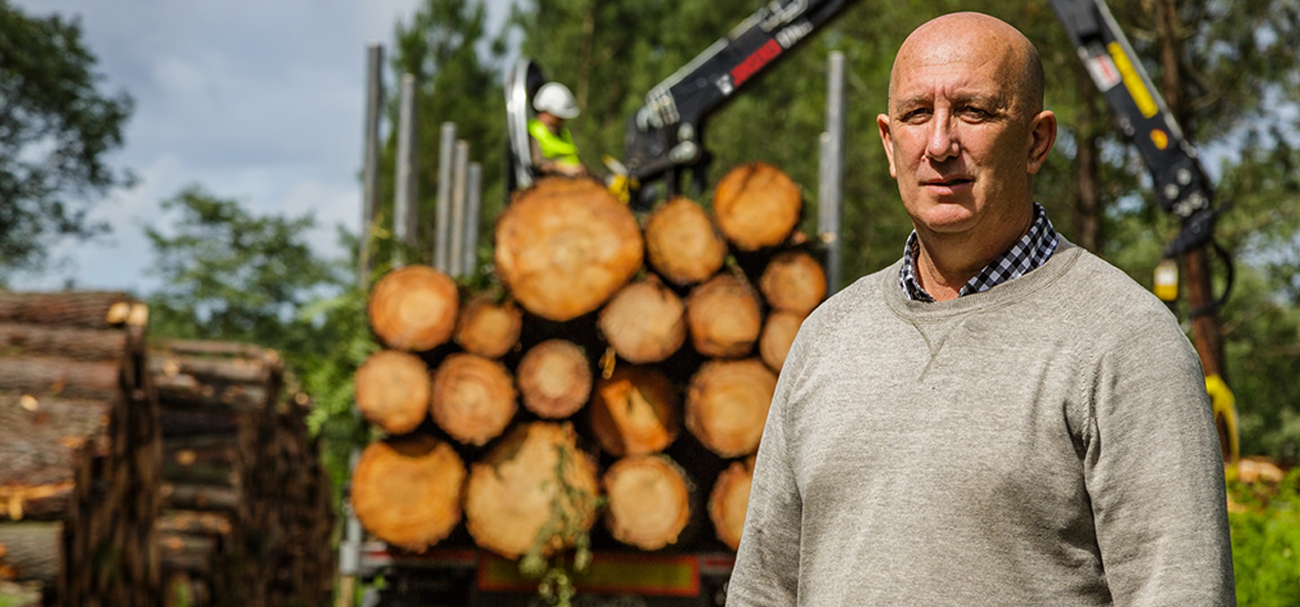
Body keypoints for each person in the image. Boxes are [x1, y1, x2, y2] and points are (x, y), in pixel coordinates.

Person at [727, 12, 1234, 606]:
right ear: (889, 143)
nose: (940, 144)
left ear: (1036, 141)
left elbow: (1181, 591)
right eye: (917, 114)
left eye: (973, 112)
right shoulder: (828, 337)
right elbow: (763, 588)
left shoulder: (1126, 340)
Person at [528, 81, 588, 177]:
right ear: (546, 111)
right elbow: (538, 164)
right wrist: (565, 169)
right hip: (552, 182)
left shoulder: (563, 133)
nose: (562, 120)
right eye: (559, 117)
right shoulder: (534, 131)